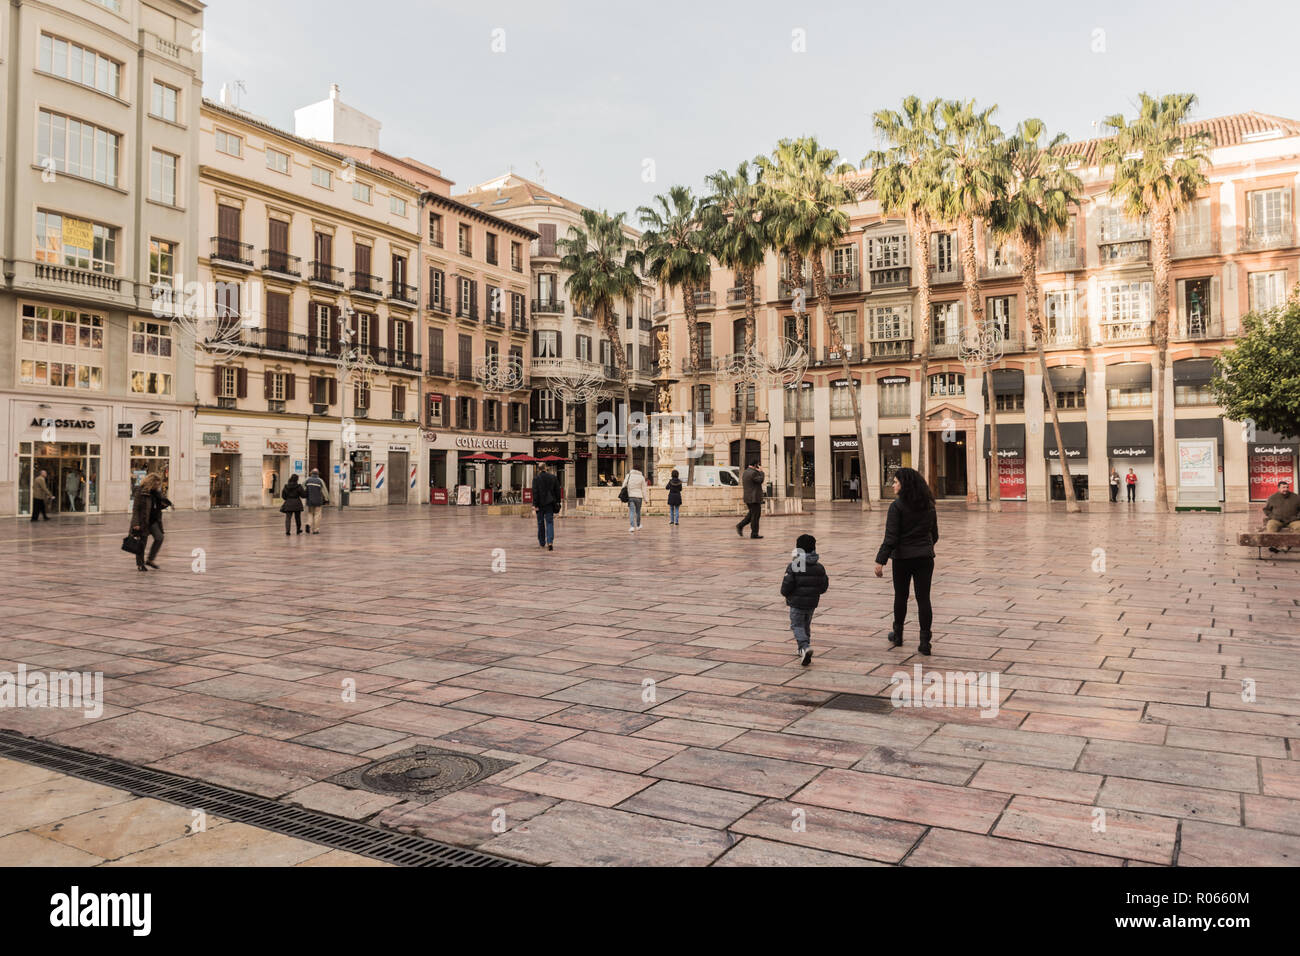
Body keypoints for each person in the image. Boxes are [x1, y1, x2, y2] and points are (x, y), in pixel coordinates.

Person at [874, 466, 939, 656]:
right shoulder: (929, 504)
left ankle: (898, 634)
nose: (893, 485)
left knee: (900, 597)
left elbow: (891, 537)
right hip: (925, 558)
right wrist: (924, 547)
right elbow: (934, 535)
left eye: (895, 482)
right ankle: (925, 642)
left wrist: (880, 561)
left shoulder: (897, 506)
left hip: (902, 559)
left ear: (904, 484)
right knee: (923, 598)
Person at [781, 533, 829, 667]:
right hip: (812, 603)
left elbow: (787, 584)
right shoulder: (819, 567)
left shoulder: (796, 565)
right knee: (806, 625)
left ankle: (804, 646)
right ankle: (803, 649)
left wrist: (785, 593)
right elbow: (823, 586)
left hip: (796, 603)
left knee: (797, 625)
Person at [129, 473, 171, 571]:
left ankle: (150, 560)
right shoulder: (141, 491)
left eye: (158, 485)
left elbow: (158, 506)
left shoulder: (157, 492)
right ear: (151, 482)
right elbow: (135, 508)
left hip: (154, 521)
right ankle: (140, 564)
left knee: (159, 537)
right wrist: (136, 523)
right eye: (156, 484)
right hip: (143, 521)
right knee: (142, 543)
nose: (158, 486)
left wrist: (165, 504)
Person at [1263, 479, 1300, 552]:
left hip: (1292, 520)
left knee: (1299, 527)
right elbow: (1266, 510)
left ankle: (1287, 545)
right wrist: (1274, 517)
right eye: (1283, 487)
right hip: (1277, 520)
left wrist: (1297, 517)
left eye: (1287, 487)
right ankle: (1274, 545)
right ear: (1279, 488)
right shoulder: (1272, 498)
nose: (1285, 489)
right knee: (1271, 525)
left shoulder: (1296, 497)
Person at [532, 462, 560, 550]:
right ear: (546, 468)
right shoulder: (553, 477)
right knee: (549, 522)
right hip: (550, 504)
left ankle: (542, 542)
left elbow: (535, 492)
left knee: (540, 523)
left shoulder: (536, 479)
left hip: (539, 504)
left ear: (538, 469)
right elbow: (557, 491)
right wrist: (558, 502)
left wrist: (535, 504)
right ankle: (550, 542)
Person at [736, 460, 765, 539]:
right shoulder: (753, 473)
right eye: (758, 465)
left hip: (748, 498)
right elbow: (760, 480)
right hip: (754, 498)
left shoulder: (746, 472)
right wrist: (761, 472)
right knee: (755, 516)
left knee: (752, 515)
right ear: (756, 465)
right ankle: (754, 534)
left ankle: (740, 526)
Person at [622, 466, 647, 531]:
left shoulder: (629, 475)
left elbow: (624, 485)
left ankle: (632, 526)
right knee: (638, 512)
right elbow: (644, 489)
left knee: (632, 512)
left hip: (631, 496)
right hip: (639, 497)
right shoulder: (642, 477)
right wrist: (646, 499)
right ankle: (638, 526)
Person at [303, 468, 328, 533]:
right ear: (318, 473)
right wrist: (327, 498)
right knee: (317, 514)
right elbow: (324, 490)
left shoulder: (307, 480)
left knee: (310, 513)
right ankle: (315, 529)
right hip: (318, 500)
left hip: (309, 500)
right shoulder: (320, 480)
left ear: (311, 473)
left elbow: (302, 487)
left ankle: (308, 524)